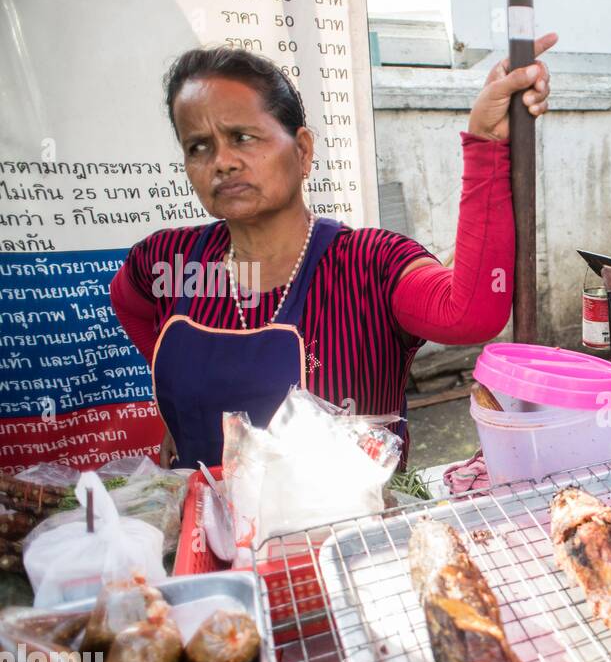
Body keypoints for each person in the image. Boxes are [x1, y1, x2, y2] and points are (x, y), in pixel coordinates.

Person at [110, 35, 556, 469]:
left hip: (346, 540)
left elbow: (471, 313)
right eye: (198, 146)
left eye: (243, 137)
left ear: (302, 151)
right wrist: (175, 407)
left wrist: (487, 145)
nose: (221, 161)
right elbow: (126, 303)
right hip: (207, 534)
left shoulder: (367, 264)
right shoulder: (170, 260)